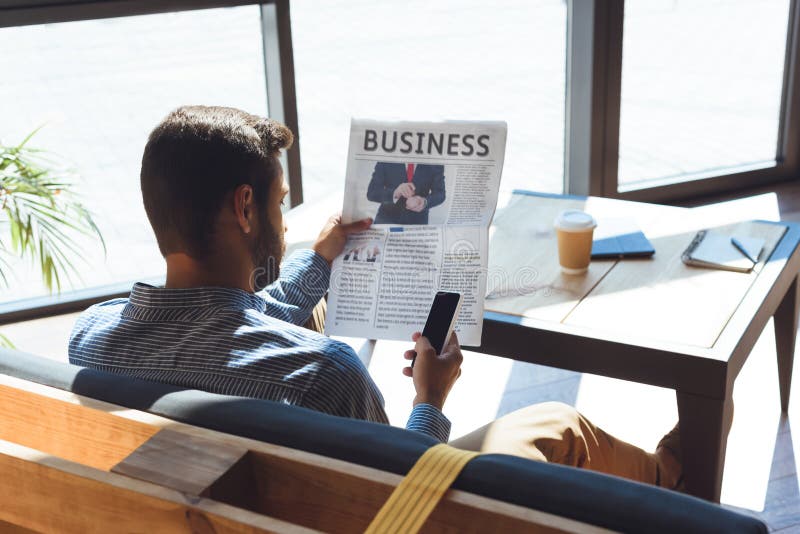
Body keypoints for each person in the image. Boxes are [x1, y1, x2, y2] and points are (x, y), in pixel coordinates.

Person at [68, 106, 682, 490]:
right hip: (361, 515)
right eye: (280, 202)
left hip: (219, 500)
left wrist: (322, 260)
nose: (283, 220)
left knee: (307, 309)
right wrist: (431, 396)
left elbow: (226, 326)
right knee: (559, 424)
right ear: (245, 208)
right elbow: (402, 485)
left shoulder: (91, 336)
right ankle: (675, 483)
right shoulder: (320, 375)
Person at [366, 162, 445, 224]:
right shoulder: (387, 157)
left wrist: (424, 202)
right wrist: (395, 193)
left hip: (417, 225)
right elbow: (372, 192)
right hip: (386, 221)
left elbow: (440, 193)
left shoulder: (434, 163)